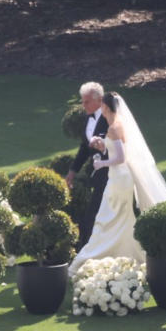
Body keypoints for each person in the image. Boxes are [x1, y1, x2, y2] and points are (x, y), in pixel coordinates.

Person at [68, 92, 166, 277]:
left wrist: (102, 163)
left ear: (106, 107)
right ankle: (126, 252)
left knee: (108, 217)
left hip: (119, 178)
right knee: (120, 217)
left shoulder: (114, 127)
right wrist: (102, 145)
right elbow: (119, 148)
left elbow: (121, 158)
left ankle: (97, 254)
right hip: (119, 177)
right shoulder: (117, 124)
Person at [65, 82, 111, 247]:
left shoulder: (109, 117)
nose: (83, 105)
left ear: (99, 100)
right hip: (97, 173)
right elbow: (84, 148)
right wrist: (72, 172)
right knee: (94, 213)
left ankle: (89, 249)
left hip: (111, 173)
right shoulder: (87, 119)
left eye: (86, 102)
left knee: (95, 213)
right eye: (82, 101)